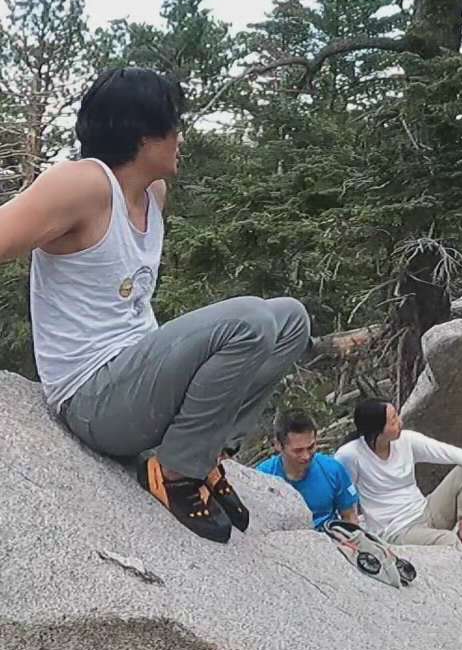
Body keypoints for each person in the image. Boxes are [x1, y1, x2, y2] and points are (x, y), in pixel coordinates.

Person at [0, 69, 311, 543]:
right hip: (92, 397)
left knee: (290, 318)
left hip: (136, 380)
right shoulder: (82, 184)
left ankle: (204, 453)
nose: (181, 137)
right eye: (174, 125)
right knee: (248, 320)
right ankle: (176, 470)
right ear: (144, 135)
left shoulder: (152, 193)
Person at [334, 400, 462, 553]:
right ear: (376, 430)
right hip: (396, 530)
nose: (400, 422)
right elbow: (342, 495)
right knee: (448, 541)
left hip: (425, 511)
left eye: (397, 416)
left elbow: (451, 453)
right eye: (393, 421)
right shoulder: (350, 455)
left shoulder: (407, 440)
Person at [256, 411, 361, 530]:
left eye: (311, 447)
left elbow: (350, 516)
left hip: (330, 537)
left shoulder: (333, 469)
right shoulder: (262, 476)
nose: (306, 456)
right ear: (279, 445)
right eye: (298, 450)